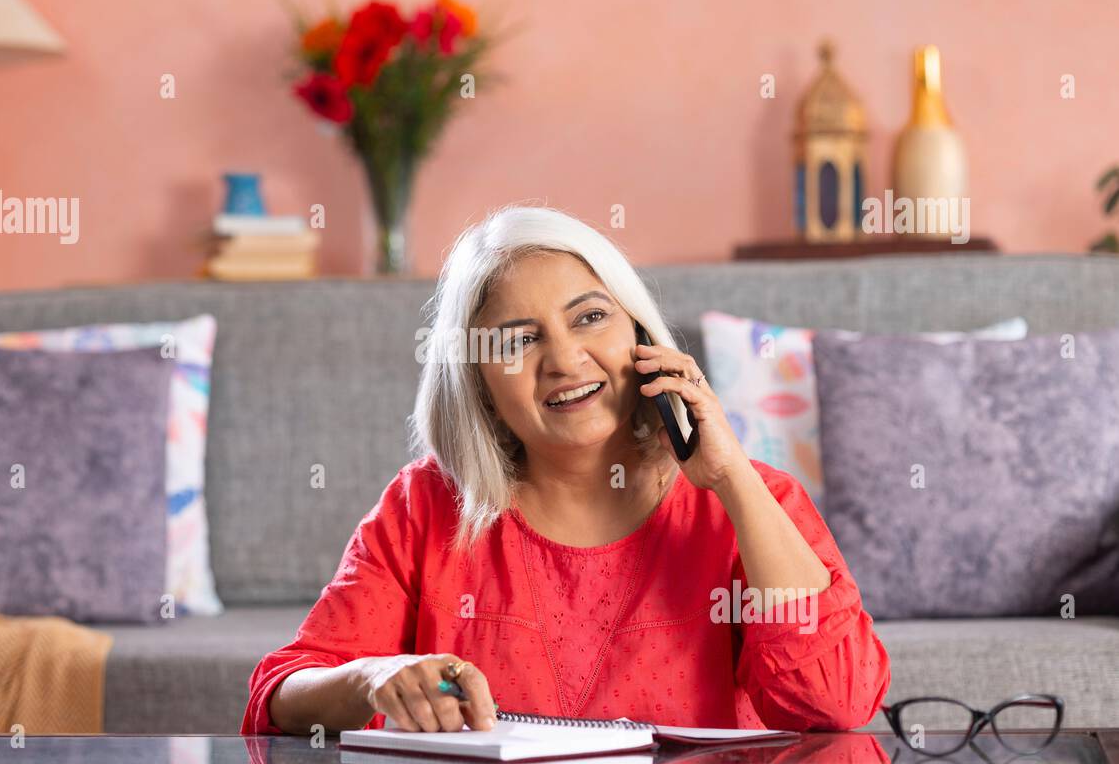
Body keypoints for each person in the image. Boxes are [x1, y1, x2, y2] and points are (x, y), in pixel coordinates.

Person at [241, 204, 890, 735]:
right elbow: (278, 698)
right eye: (520, 339)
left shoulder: (750, 499)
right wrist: (371, 677)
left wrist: (732, 479)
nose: (565, 358)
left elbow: (836, 703)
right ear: (477, 380)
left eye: (590, 317)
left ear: (639, 334)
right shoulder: (423, 507)